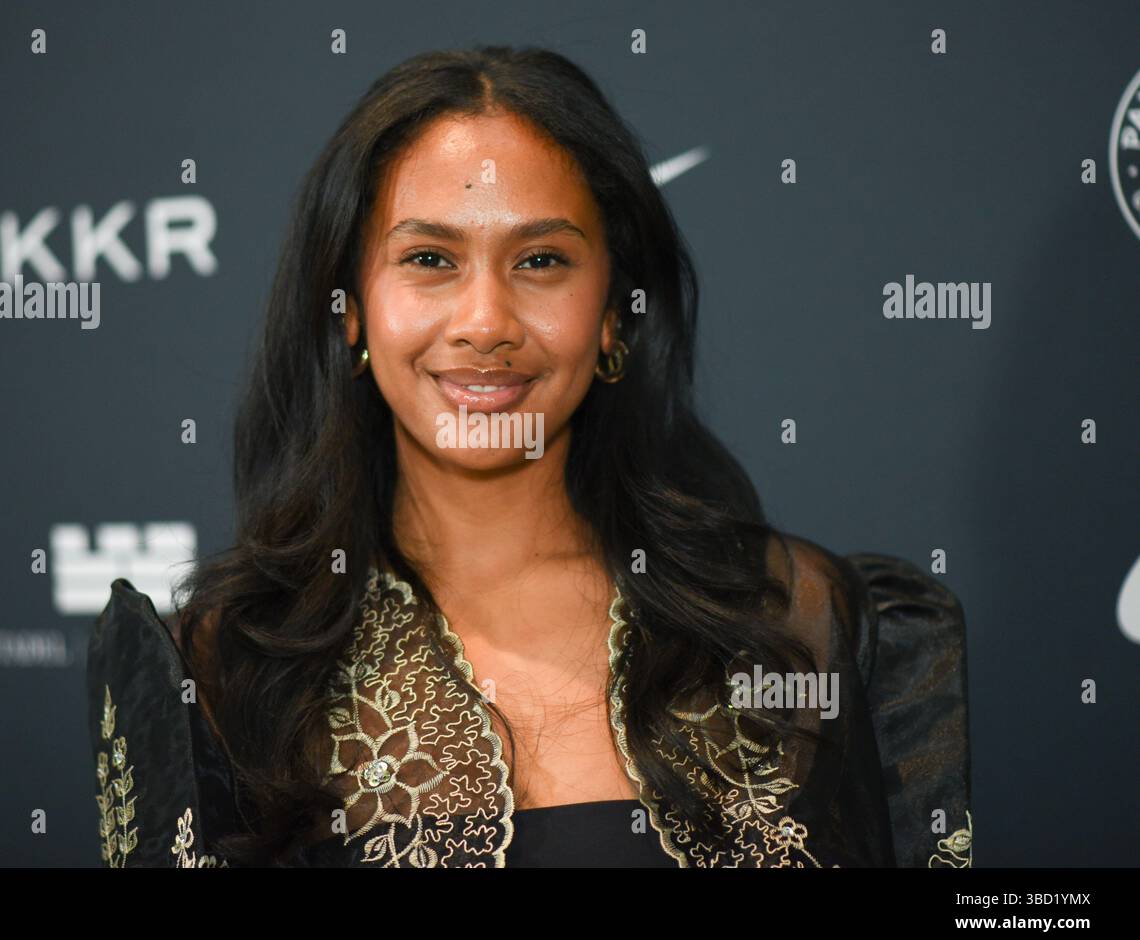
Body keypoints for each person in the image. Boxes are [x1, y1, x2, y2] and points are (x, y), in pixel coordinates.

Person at [87, 45, 972, 868]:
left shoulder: (798, 626)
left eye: (541, 259)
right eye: (430, 257)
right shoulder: (224, 677)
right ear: (350, 311)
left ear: (616, 312)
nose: (485, 323)